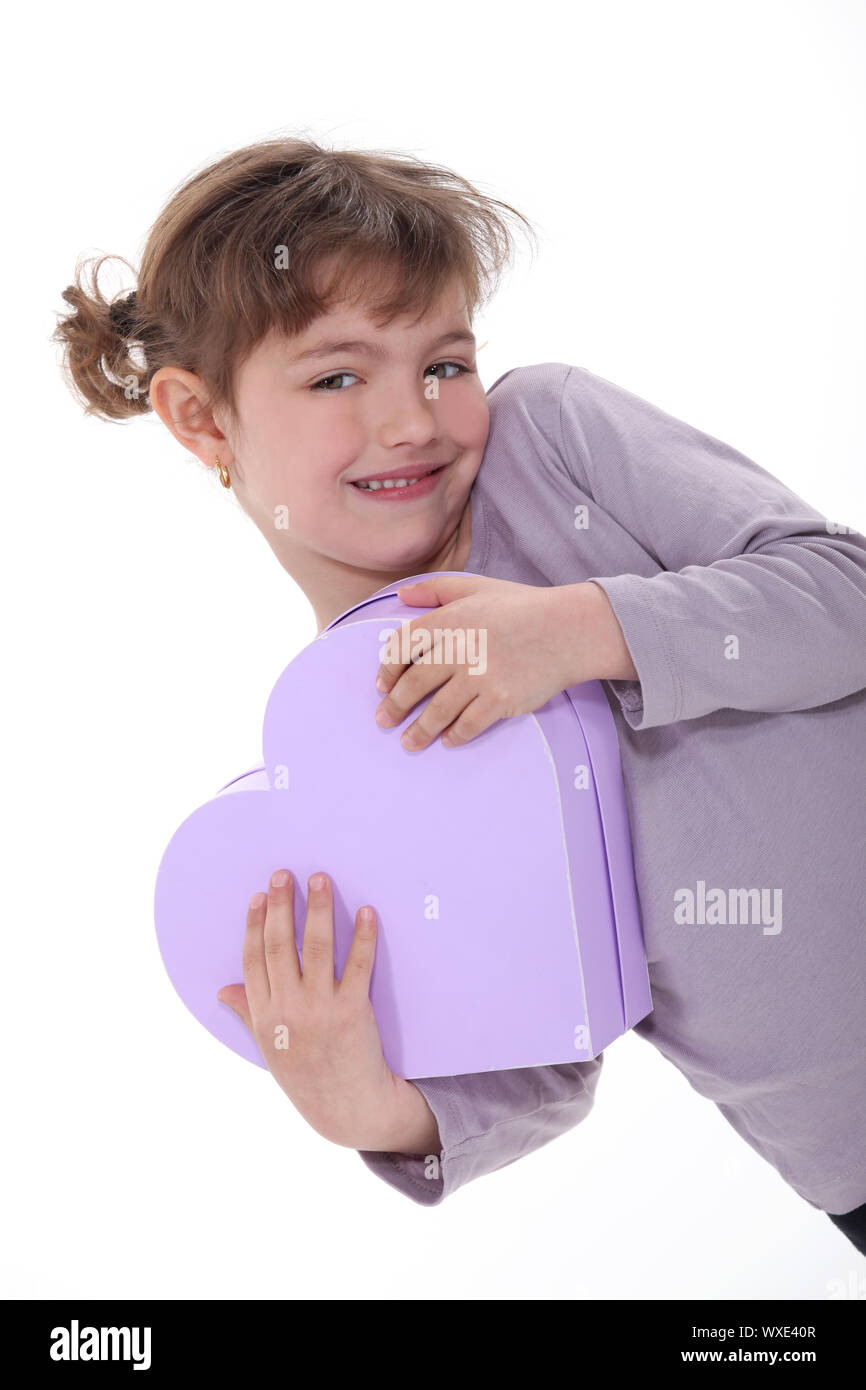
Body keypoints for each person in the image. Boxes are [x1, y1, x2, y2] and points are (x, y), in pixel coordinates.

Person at [54, 135, 866, 1253]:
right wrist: (371, 1106)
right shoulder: (359, 726)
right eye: (338, 375)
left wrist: (578, 630)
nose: (415, 421)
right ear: (200, 419)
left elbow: (843, 594)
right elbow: (550, 1034)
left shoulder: (554, 440)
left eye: (443, 362)